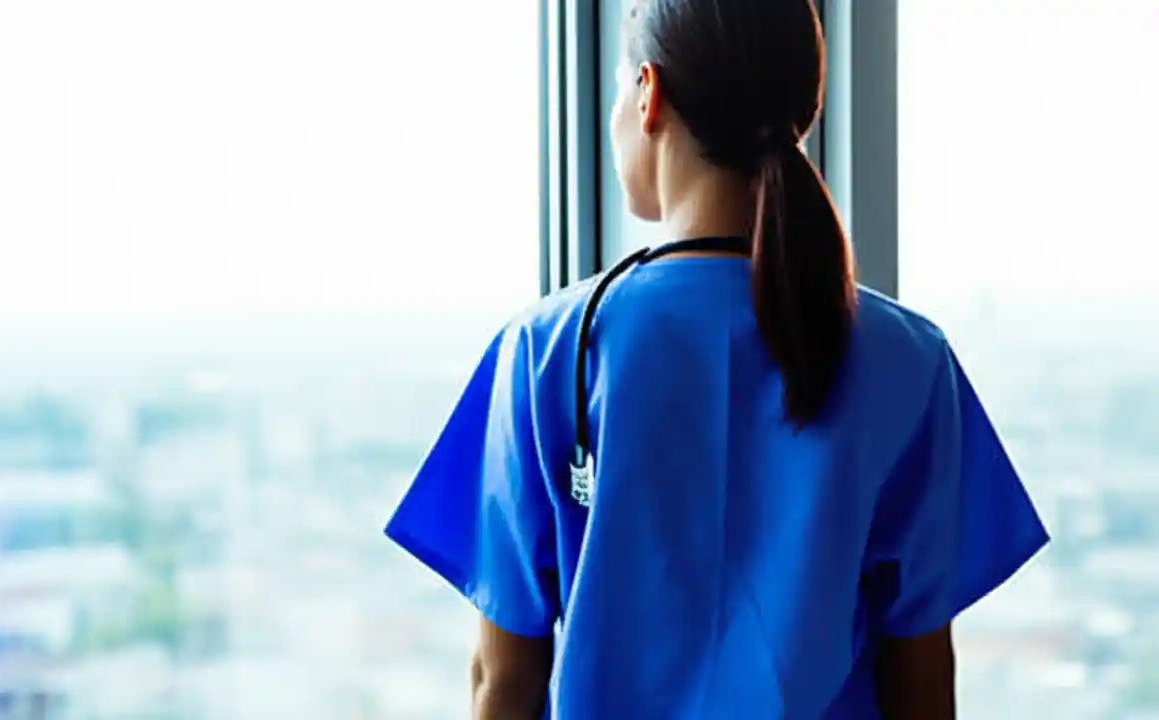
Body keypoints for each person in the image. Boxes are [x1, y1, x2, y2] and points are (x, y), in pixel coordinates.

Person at [385, 0, 1048, 717]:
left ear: (649, 94)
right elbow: (921, 686)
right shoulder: (910, 362)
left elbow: (503, 683)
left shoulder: (550, 351)